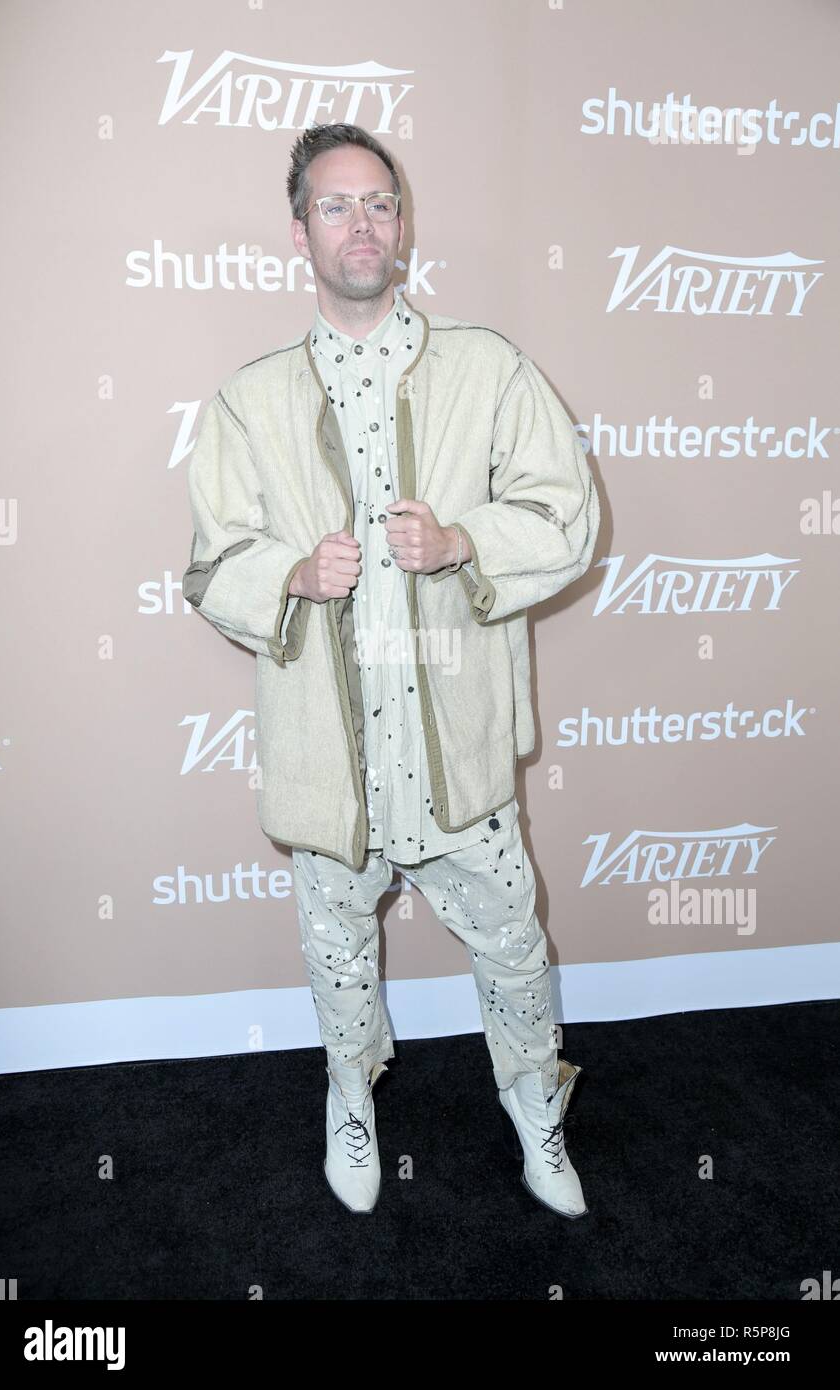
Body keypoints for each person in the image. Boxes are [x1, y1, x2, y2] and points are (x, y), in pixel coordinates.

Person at [181, 122, 600, 1219]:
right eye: (334, 205)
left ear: (401, 223)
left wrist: (464, 541)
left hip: (456, 754)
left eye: (378, 202)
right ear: (298, 231)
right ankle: (349, 1091)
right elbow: (210, 558)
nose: (359, 224)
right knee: (337, 952)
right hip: (332, 757)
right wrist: (290, 573)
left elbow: (565, 514)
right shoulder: (249, 399)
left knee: (512, 943)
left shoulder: (487, 366)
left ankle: (530, 1100)